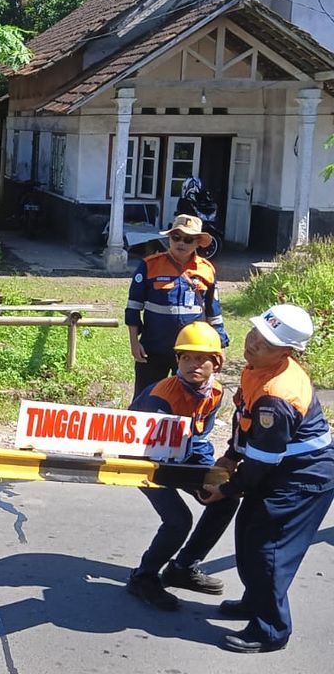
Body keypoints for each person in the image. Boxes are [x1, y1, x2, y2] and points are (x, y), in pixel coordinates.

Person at [199, 304, 334, 653]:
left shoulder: (278, 394)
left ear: (286, 352)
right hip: (279, 469)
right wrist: (230, 454)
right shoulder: (258, 368)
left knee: (267, 551)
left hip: (301, 479)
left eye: (267, 342)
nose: (254, 343)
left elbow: (261, 462)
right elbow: (245, 419)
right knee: (248, 536)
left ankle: (270, 630)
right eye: (256, 333)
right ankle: (255, 603)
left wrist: (225, 488)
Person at [125, 321, 238, 611]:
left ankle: (182, 567)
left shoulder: (215, 394)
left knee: (225, 498)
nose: (192, 365)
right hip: (145, 459)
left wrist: (207, 475)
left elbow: (198, 436)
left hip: (182, 456)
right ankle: (144, 577)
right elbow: (148, 449)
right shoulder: (160, 396)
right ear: (177, 360)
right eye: (185, 357)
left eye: (201, 358)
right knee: (179, 520)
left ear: (216, 363)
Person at [125, 214, 228, 397]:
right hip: (154, 348)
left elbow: (215, 313)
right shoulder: (149, 266)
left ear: (197, 243)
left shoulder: (206, 270)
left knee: (188, 399)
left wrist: (220, 348)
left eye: (188, 239)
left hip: (192, 352)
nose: (181, 243)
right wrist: (134, 342)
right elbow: (133, 307)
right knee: (146, 399)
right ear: (169, 238)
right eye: (176, 237)